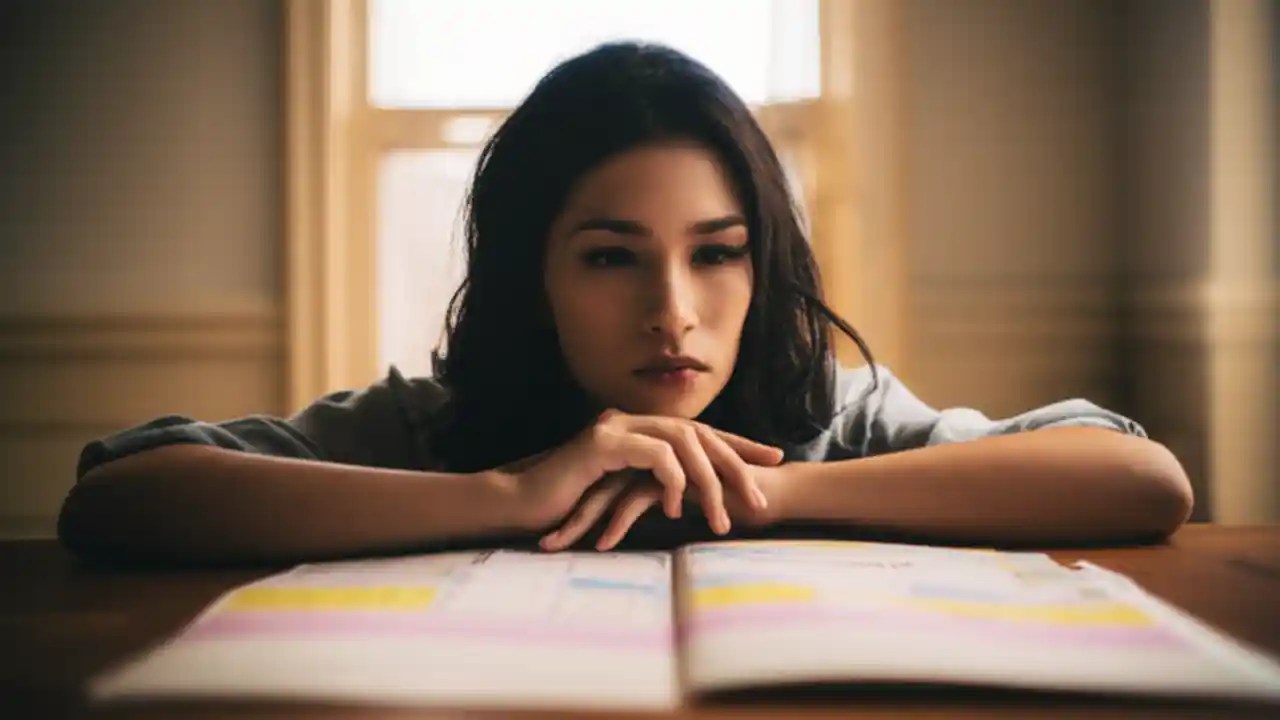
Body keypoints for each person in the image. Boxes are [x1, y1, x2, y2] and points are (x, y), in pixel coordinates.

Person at [58, 43, 1192, 565]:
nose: (673, 311)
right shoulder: (433, 428)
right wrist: (511, 494)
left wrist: (772, 493)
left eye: (717, 254)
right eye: (610, 258)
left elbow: (1143, 481)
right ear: (531, 274)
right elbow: (120, 500)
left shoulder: (825, 416)